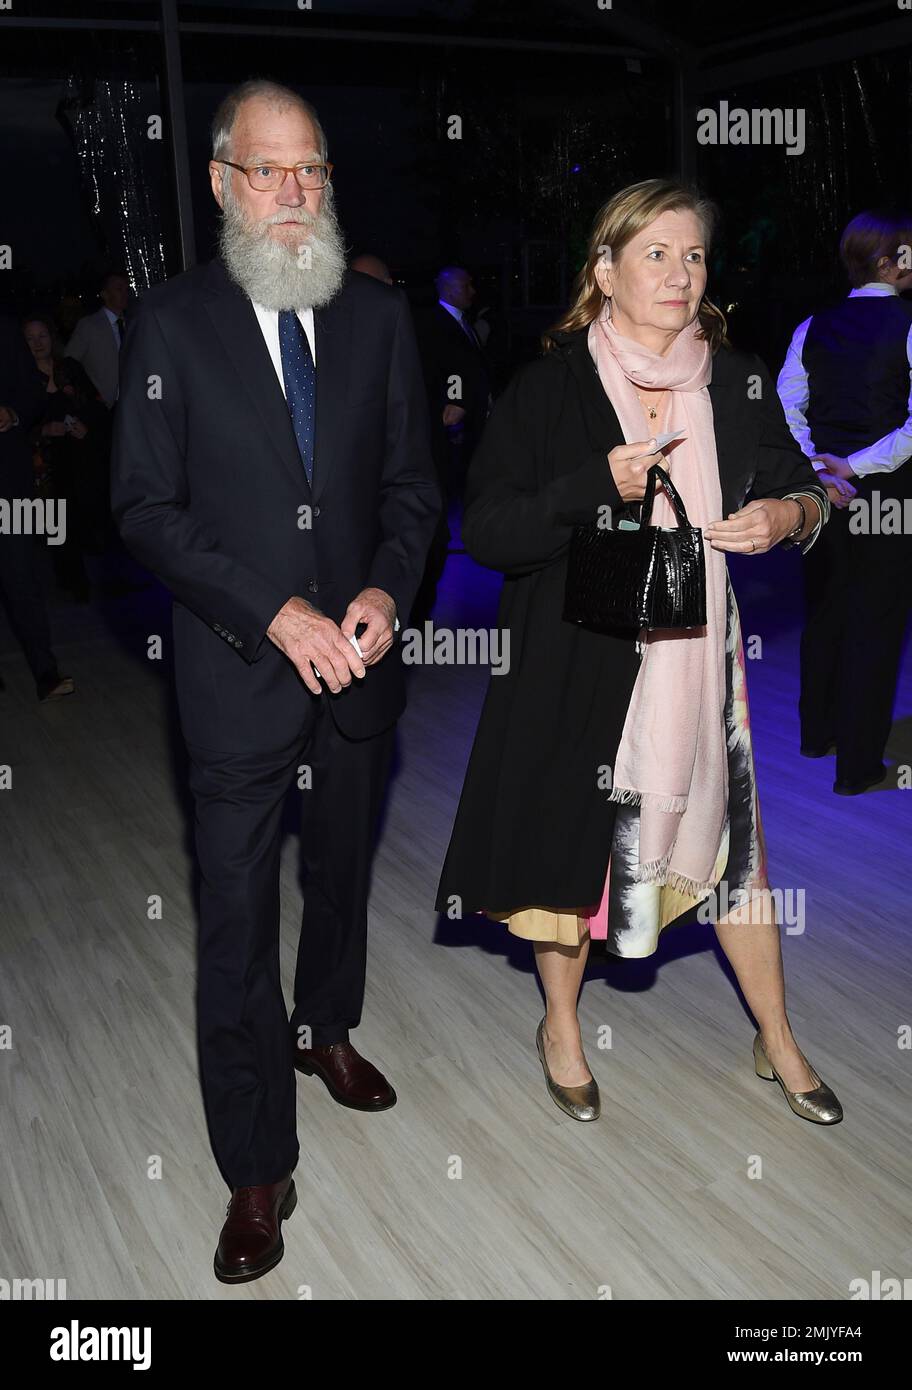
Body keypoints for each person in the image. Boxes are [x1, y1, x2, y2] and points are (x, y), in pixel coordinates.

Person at [110, 78, 441, 1283]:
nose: (294, 192)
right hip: (239, 677)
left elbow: (413, 488)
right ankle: (256, 1160)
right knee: (237, 921)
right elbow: (142, 509)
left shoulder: (375, 317)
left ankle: (328, 1029)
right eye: (269, 170)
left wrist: (385, 591)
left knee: (343, 875)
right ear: (220, 183)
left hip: (359, 669)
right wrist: (273, 607)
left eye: (311, 170)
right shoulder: (171, 326)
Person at [436, 179, 842, 1130]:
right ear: (604, 271)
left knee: (739, 859)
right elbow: (490, 530)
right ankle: (562, 1030)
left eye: (693, 254)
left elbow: (808, 493)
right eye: (653, 253)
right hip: (581, 666)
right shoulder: (551, 385)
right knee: (576, 866)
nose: (679, 272)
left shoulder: (736, 380)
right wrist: (591, 485)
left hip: (701, 668)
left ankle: (778, 1040)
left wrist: (786, 514)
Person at [777, 209, 912, 794]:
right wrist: (854, 466)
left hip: (823, 494)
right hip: (887, 493)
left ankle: (817, 735)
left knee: (827, 610)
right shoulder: (907, 324)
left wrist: (819, 466)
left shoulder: (812, 325)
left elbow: (786, 408)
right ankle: (857, 767)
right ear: (886, 262)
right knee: (875, 624)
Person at [0, 315, 74, 702]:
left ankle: (45, 672)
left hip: (8, 483)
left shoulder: (4, 329)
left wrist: (12, 412)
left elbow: (31, 389)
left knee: (20, 578)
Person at [22, 313, 110, 601]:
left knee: (88, 518)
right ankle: (73, 581)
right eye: (31, 338)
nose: (38, 343)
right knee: (58, 526)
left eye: (42, 336)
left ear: (52, 338)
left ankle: (98, 578)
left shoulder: (69, 368)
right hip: (43, 465)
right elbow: (15, 422)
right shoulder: (20, 376)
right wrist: (44, 430)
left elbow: (96, 406)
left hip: (79, 458)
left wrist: (86, 426)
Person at [65, 269, 130, 409]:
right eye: (119, 289)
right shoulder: (89, 325)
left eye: (126, 289)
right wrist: (92, 394)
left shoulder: (132, 323)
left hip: (133, 401)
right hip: (106, 405)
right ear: (105, 294)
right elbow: (70, 362)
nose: (124, 293)